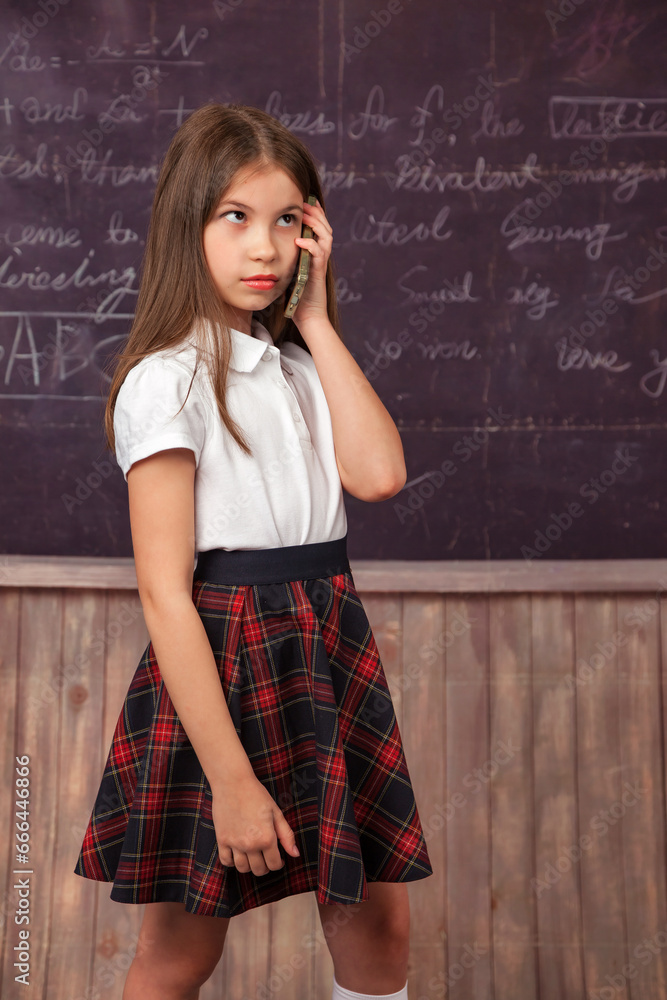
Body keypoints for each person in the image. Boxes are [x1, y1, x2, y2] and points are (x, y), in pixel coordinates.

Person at [73, 102, 433, 1000]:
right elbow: (165, 594)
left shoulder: (302, 368)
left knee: (376, 919)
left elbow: (381, 474)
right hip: (221, 661)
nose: (262, 248)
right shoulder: (167, 380)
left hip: (326, 642)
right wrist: (230, 783)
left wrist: (315, 321)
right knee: (183, 950)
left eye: (286, 220)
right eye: (234, 217)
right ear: (186, 224)